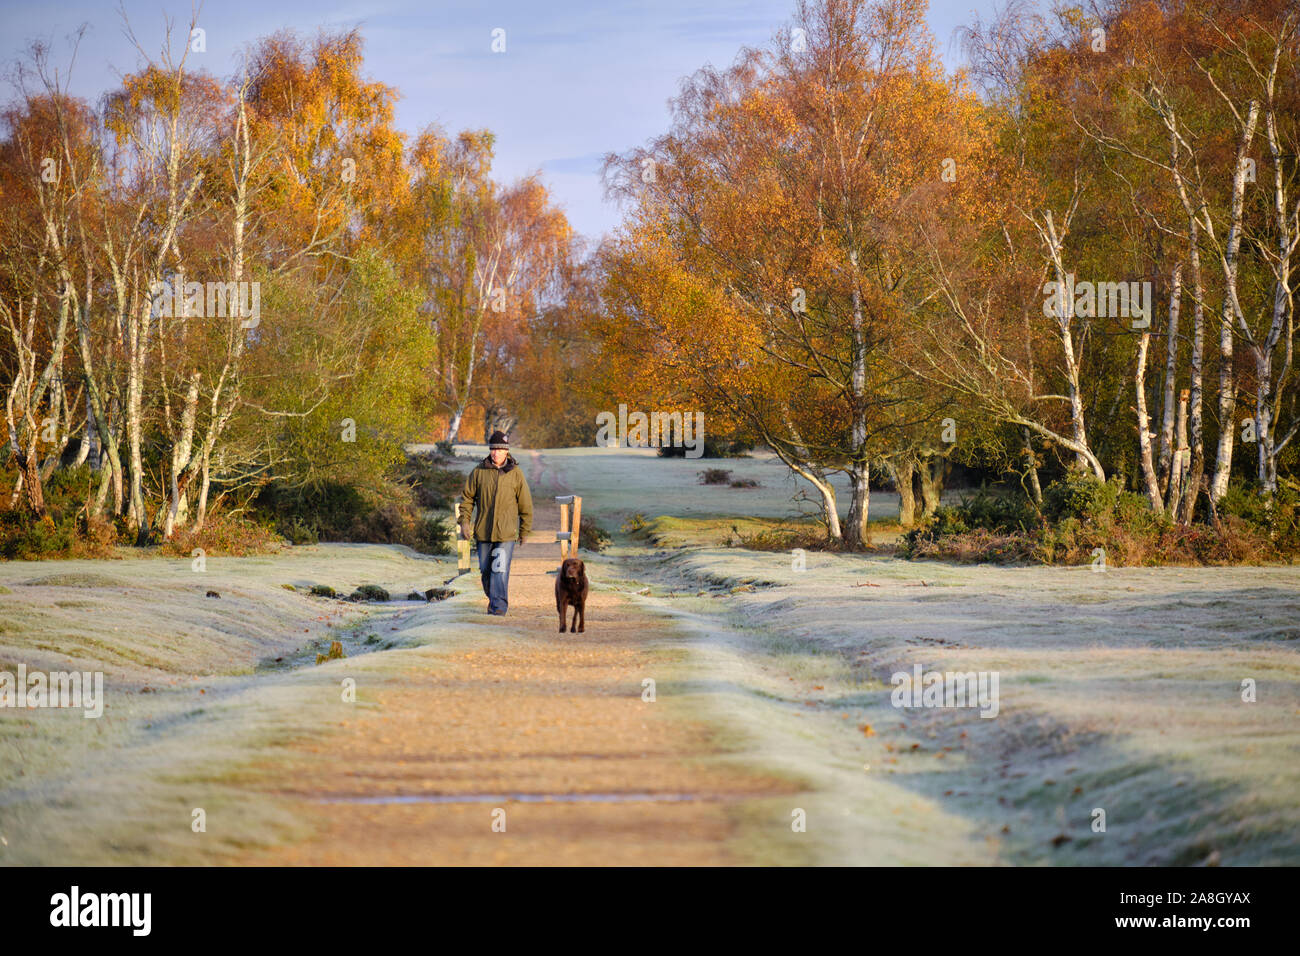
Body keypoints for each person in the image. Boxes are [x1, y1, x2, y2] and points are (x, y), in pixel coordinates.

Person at [457, 431, 533, 615]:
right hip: (483, 531)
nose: (496, 453)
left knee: (499, 569)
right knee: (485, 571)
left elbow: (525, 504)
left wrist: (524, 531)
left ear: (506, 451)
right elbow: (467, 499)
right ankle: (494, 599)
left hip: (506, 532)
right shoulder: (478, 471)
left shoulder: (515, 474)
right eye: (493, 449)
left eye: (499, 449)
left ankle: (498, 608)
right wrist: (465, 522)